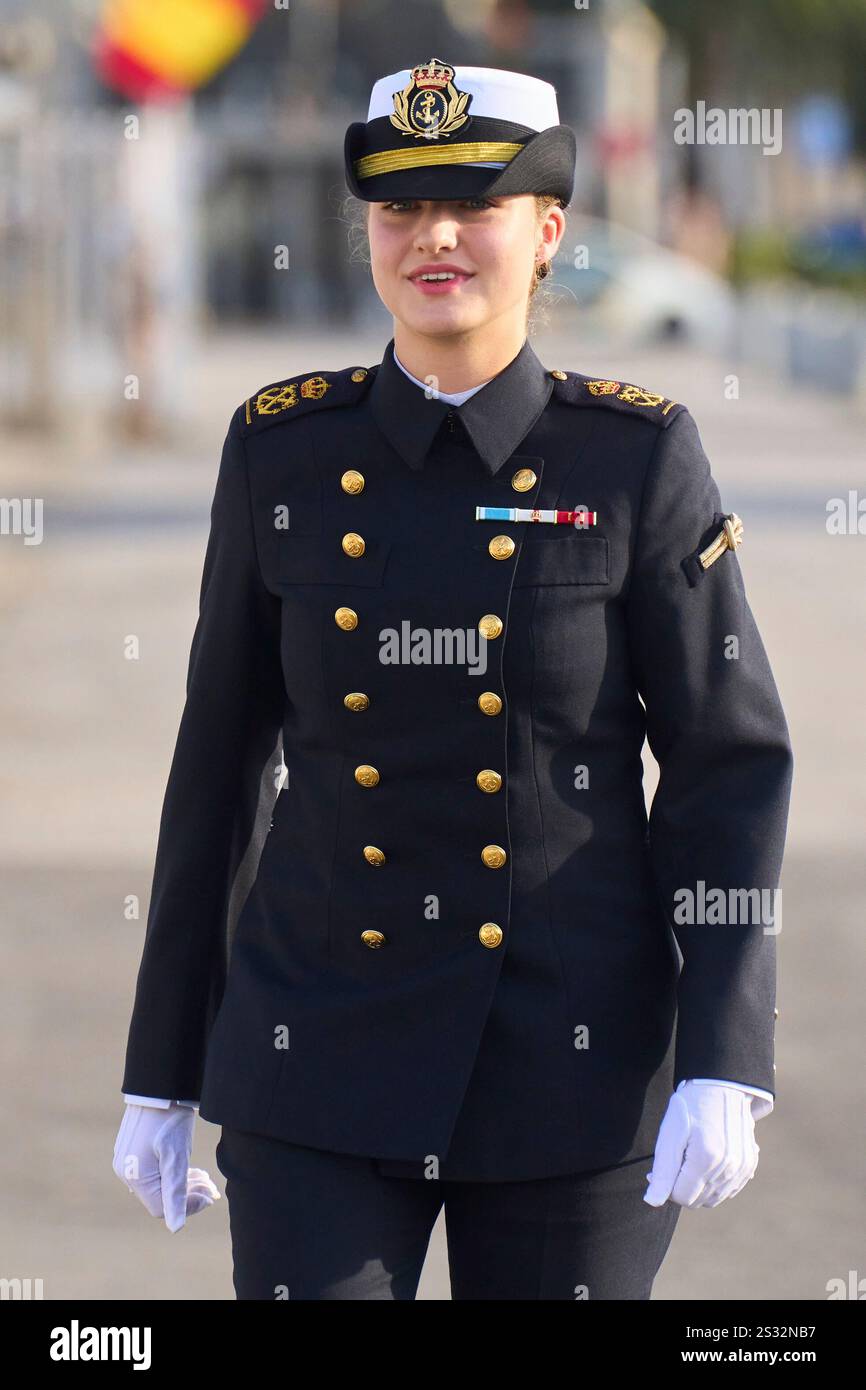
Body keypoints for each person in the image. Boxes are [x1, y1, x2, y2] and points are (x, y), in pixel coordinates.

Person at [113, 59, 793, 1300]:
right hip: (315, 1039)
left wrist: (723, 1051)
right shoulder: (285, 449)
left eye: (472, 204)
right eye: (397, 208)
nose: (432, 238)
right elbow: (216, 763)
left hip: (568, 1052)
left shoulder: (634, 457)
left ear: (545, 231)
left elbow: (723, 765)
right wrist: (161, 1062)